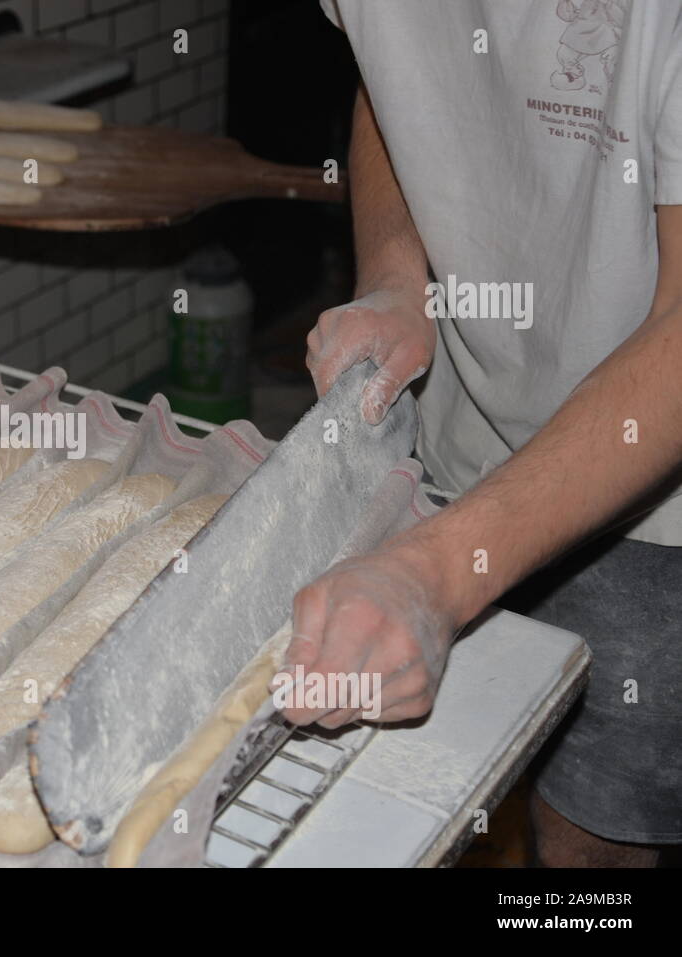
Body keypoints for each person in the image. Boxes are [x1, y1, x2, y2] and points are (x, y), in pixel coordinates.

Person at [281, 0, 682, 866]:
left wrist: (434, 572)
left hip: (658, 493)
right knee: (442, 788)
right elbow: (396, 79)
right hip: (460, 438)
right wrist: (396, 277)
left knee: (588, 857)